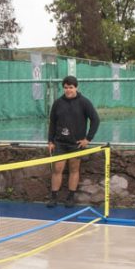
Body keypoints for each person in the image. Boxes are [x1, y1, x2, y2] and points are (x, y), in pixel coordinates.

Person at [46, 75, 100, 208]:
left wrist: (88, 139)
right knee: (57, 169)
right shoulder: (58, 103)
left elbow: (95, 120)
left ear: (76, 87)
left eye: (70, 87)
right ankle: (53, 197)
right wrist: (50, 141)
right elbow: (52, 122)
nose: (68, 90)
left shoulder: (84, 102)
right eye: (65, 88)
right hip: (59, 143)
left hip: (76, 144)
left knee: (74, 169)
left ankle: (70, 197)